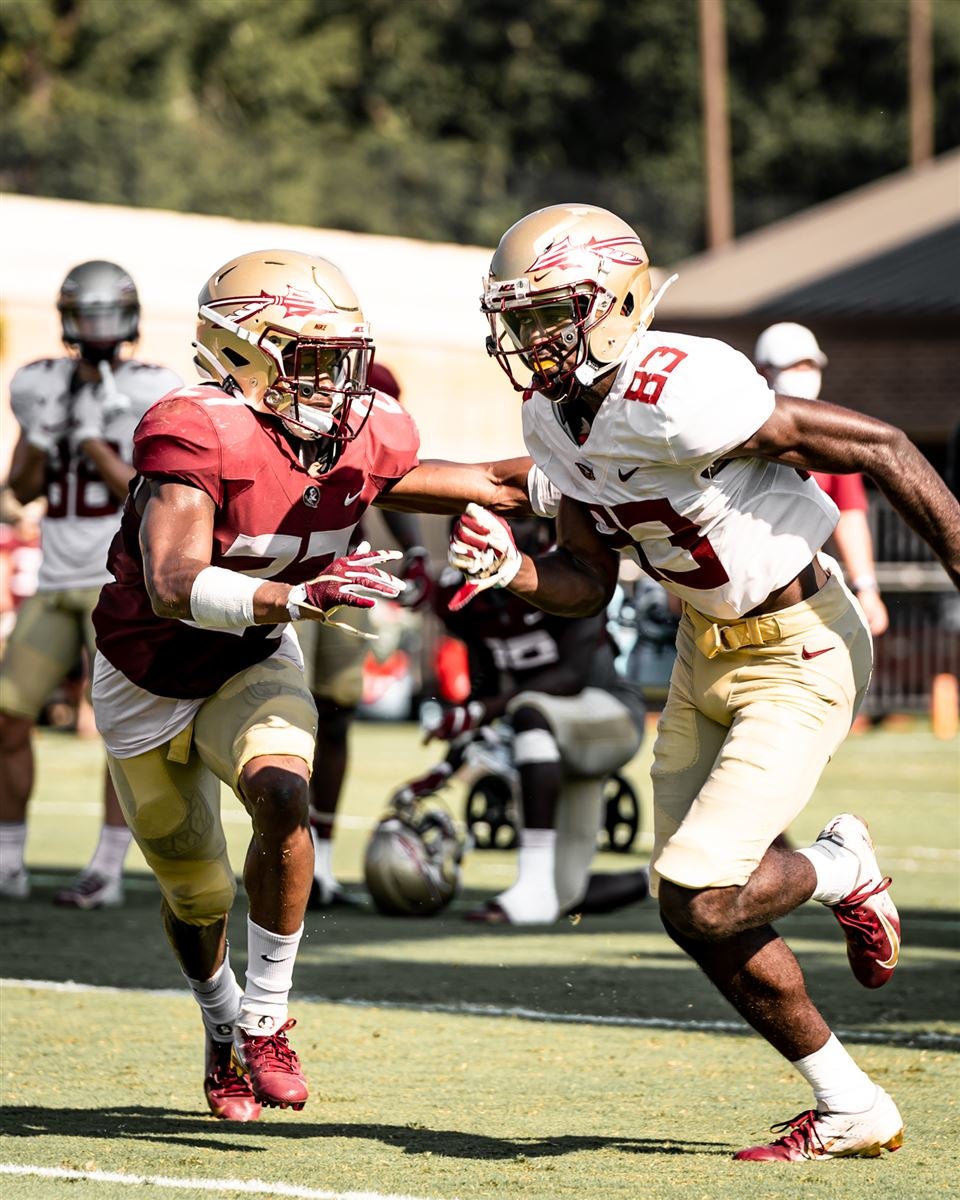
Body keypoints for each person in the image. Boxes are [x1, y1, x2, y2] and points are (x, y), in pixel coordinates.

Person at [447, 204, 960, 1162]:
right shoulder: (551, 417)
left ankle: (843, 867)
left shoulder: (680, 387)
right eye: (519, 320)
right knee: (690, 908)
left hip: (800, 643)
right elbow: (587, 581)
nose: (532, 340)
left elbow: (884, 447)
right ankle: (850, 1103)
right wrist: (512, 572)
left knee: (699, 886)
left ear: (616, 301)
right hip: (703, 652)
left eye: (551, 312)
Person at [89, 248, 534, 1122]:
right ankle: (220, 1028)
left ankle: (265, 1020)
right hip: (145, 677)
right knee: (196, 893)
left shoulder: (360, 431)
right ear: (242, 353)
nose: (337, 382)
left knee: (282, 793)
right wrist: (291, 596)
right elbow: (176, 582)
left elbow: (485, 480)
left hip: (253, 659)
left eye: (344, 357)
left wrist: (610, 482)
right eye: (313, 358)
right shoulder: (195, 429)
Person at [0, 261, 182, 908]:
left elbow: (146, 487)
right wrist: (43, 439)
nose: (97, 329)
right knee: (8, 714)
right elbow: (19, 491)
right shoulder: (39, 382)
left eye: (106, 315)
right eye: (87, 315)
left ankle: (106, 868)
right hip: (53, 576)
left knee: (120, 728)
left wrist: (95, 443)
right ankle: (9, 858)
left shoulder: (154, 386)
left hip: (116, 579)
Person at [400, 515, 648, 925]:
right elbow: (485, 686)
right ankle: (667, 880)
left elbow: (569, 677)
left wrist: (482, 710)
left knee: (529, 710)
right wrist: (447, 765)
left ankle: (528, 882)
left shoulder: (569, 577)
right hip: (550, 737)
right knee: (564, 895)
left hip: (607, 716)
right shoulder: (465, 599)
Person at [298, 360, 432, 909]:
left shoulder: (372, 404)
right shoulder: (293, 404)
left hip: (343, 570)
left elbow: (392, 483)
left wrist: (418, 552)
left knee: (336, 714)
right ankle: (280, 857)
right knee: (282, 714)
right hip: (286, 574)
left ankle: (321, 865)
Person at [753, 322, 889, 636]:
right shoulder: (739, 428)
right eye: (794, 366)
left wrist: (866, 587)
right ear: (764, 372)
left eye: (810, 366)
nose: (804, 374)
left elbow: (849, 513)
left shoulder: (831, 432)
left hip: (804, 591)